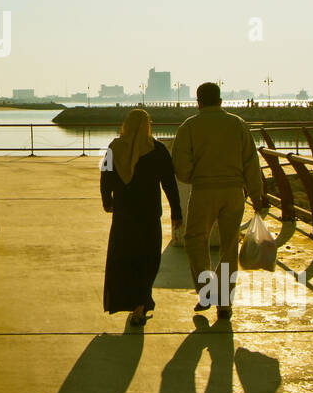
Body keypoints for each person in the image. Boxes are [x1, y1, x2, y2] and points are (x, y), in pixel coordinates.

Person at [173, 82, 267, 319]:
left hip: (204, 191)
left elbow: (180, 164)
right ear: (221, 101)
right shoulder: (237, 124)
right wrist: (256, 194)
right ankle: (224, 301)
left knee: (195, 240)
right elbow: (251, 162)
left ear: (198, 102)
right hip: (234, 192)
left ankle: (206, 291)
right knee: (229, 246)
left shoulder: (190, 126)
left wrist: (194, 177)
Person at [101, 108, 183, 325]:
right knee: (148, 260)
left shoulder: (113, 148)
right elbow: (169, 184)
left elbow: (105, 177)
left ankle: (135, 303)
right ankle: (140, 305)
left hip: (123, 216)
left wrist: (107, 201)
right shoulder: (157, 150)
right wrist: (177, 211)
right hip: (149, 215)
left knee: (126, 260)